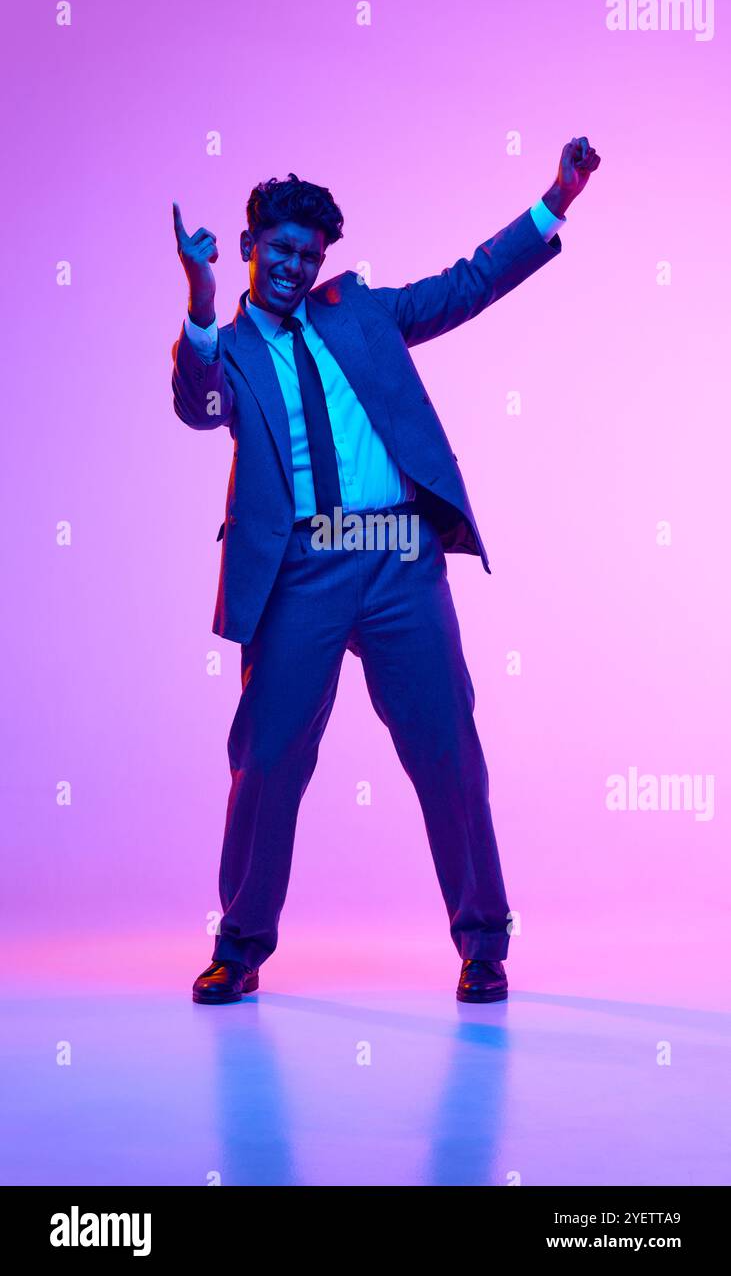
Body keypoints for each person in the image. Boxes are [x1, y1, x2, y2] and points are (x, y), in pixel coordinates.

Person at [171, 138, 601, 1005]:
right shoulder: (228, 349)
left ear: (321, 260)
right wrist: (202, 297)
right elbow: (196, 405)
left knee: (447, 750)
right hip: (302, 569)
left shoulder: (359, 314)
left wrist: (556, 198)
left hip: (400, 561)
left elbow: (467, 283)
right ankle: (241, 946)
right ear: (250, 247)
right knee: (268, 757)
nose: (292, 266)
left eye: (308, 254)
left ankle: (483, 943)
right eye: (278, 250)